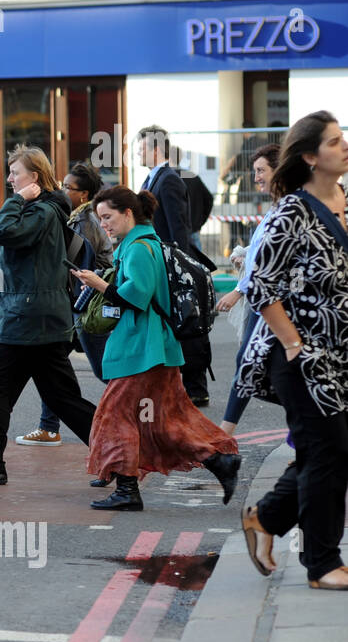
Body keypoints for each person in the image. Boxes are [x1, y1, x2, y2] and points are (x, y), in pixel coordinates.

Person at [234, 111, 348, 589]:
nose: (345, 146)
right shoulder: (292, 213)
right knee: (331, 450)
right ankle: (322, 564)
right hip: (300, 356)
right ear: (309, 156)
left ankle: (266, 517)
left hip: (341, 355)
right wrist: (294, 343)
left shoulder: (346, 200)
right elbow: (260, 285)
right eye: (335, 141)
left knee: (329, 451)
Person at [73, 186, 240, 511]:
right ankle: (220, 462)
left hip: (142, 349)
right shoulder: (139, 245)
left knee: (116, 416)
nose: (104, 224)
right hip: (155, 349)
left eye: (108, 217)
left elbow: (138, 294)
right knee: (162, 420)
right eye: (100, 218)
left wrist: (100, 285)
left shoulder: (137, 249)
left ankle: (127, 490)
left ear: (127, 213)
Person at [0, 145, 97, 485]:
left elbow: (6, 232)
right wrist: (1, 266)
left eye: (15, 172)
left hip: (28, 318)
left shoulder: (41, 209)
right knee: (60, 397)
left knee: (0, 389)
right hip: (34, 315)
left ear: (33, 177)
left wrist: (18, 200)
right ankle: (120, 454)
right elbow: (31, 256)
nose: (9, 178)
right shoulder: (43, 209)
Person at [17, 161, 112, 450]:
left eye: (67, 187)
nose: (61, 190)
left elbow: (80, 262)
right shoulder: (73, 216)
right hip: (72, 305)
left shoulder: (83, 222)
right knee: (52, 367)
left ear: (83, 195)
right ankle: (49, 428)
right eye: (61, 185)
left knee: (105, 370)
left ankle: (136, 415)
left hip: (85, 306)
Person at [138, 124, 213, 405]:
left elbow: (178, 227)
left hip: (169, 263)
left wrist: (178, 266)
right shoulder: (153, 179)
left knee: (184, 320)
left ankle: (195, 387)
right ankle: (178, 384)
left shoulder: (168, 179)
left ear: (156, 149)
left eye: (142, 147)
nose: (137, 153)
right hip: (158, 262)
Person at [215, 144, 279, 436]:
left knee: (252, 366)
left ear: (280, 170)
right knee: (251, 366)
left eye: (261, 171)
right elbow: (260, 252)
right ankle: (310, 421)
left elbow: (272, 260)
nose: (256, 178)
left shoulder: (290, 208)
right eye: (255, 172)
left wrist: (238, 291)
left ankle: (225, 432)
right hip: (260, 299)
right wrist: (244, 255)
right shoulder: (275, 208)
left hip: (271, 301)